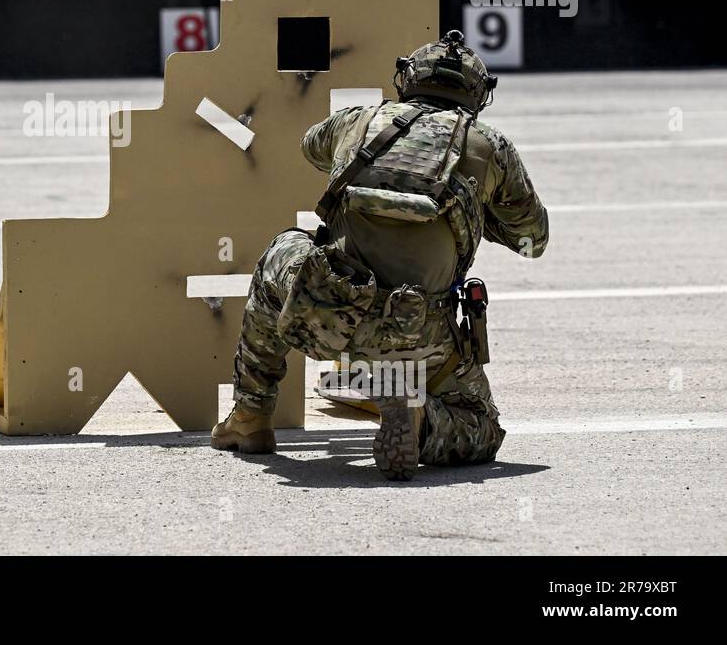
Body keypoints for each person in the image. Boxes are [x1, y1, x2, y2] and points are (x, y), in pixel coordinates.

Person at [211, 30, 549, 481]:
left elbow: (311, 146)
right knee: (481, 429)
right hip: (421, 331)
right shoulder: (491, 147)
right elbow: (533, 240)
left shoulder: (358, 121)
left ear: (408, 79)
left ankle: (251, 415)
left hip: (329, 310)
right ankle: (419, 417)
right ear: (477, 94)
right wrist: (474, 209)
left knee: (284, 249)